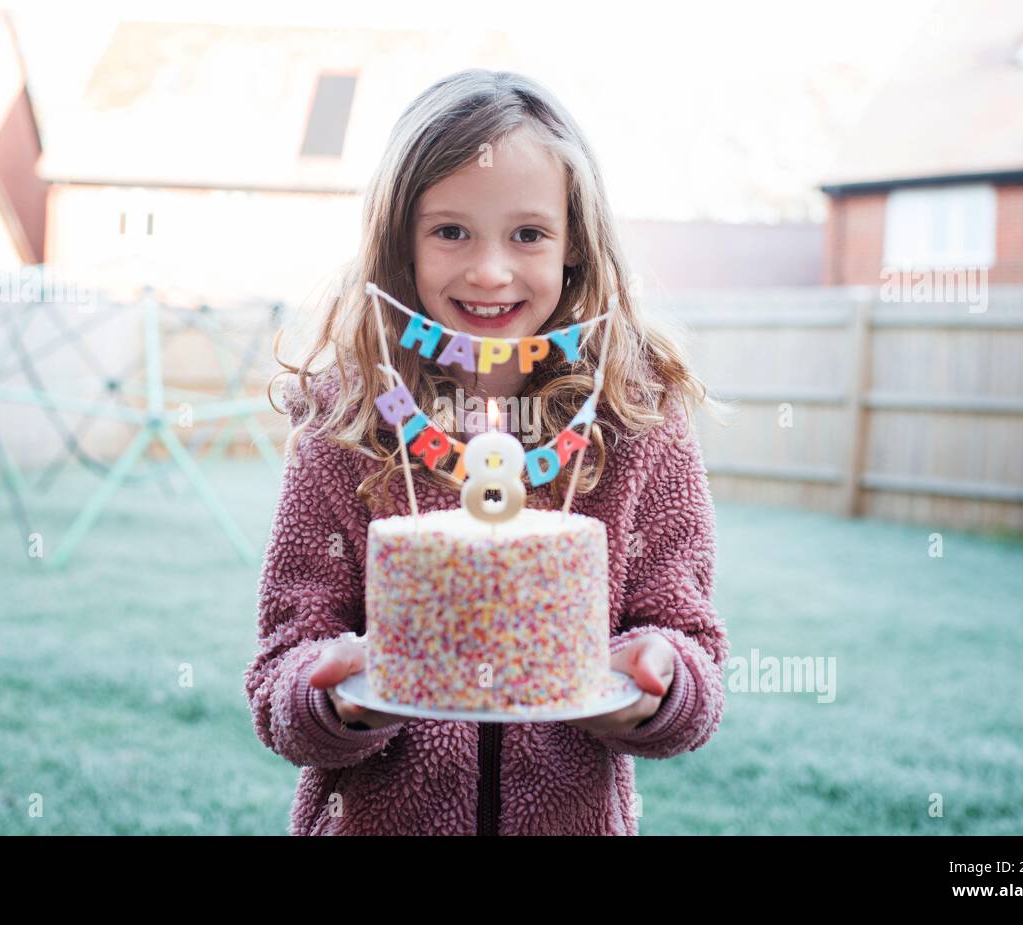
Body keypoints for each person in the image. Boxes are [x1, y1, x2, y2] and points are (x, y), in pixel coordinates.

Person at [244, 68, 734, 835]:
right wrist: (331, 692)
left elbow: (692, 644)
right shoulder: (345, 422)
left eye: (528, 233)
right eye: (451, 231)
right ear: (399, 239)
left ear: (575, 242)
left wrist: (659, 683)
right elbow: (282, 667)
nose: (490, 270)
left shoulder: (636, 416)